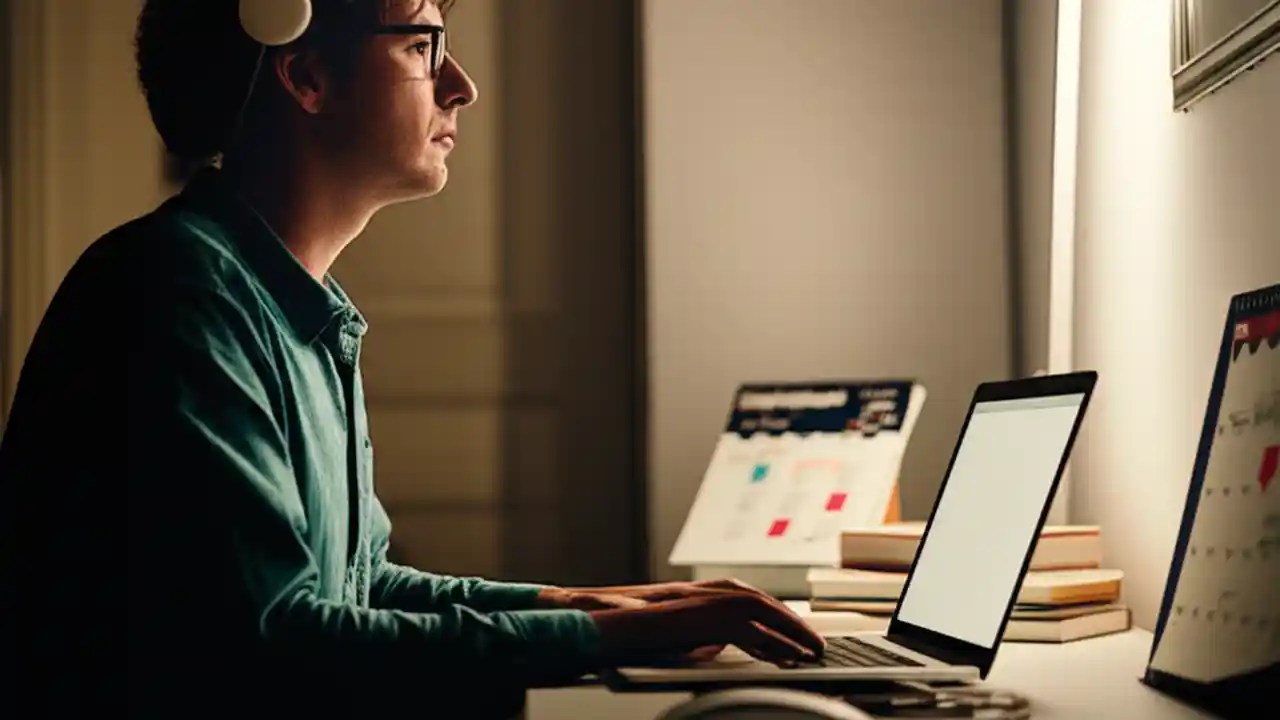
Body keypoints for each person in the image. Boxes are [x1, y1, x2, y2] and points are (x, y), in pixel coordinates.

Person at [0, 0, 824, 715]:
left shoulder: (285, 300)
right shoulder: (181, 292)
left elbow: (361, 586)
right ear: (307, 76)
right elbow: (277, 640)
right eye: (421, 45)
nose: (460, 84)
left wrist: (590, 605)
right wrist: (609, 635)